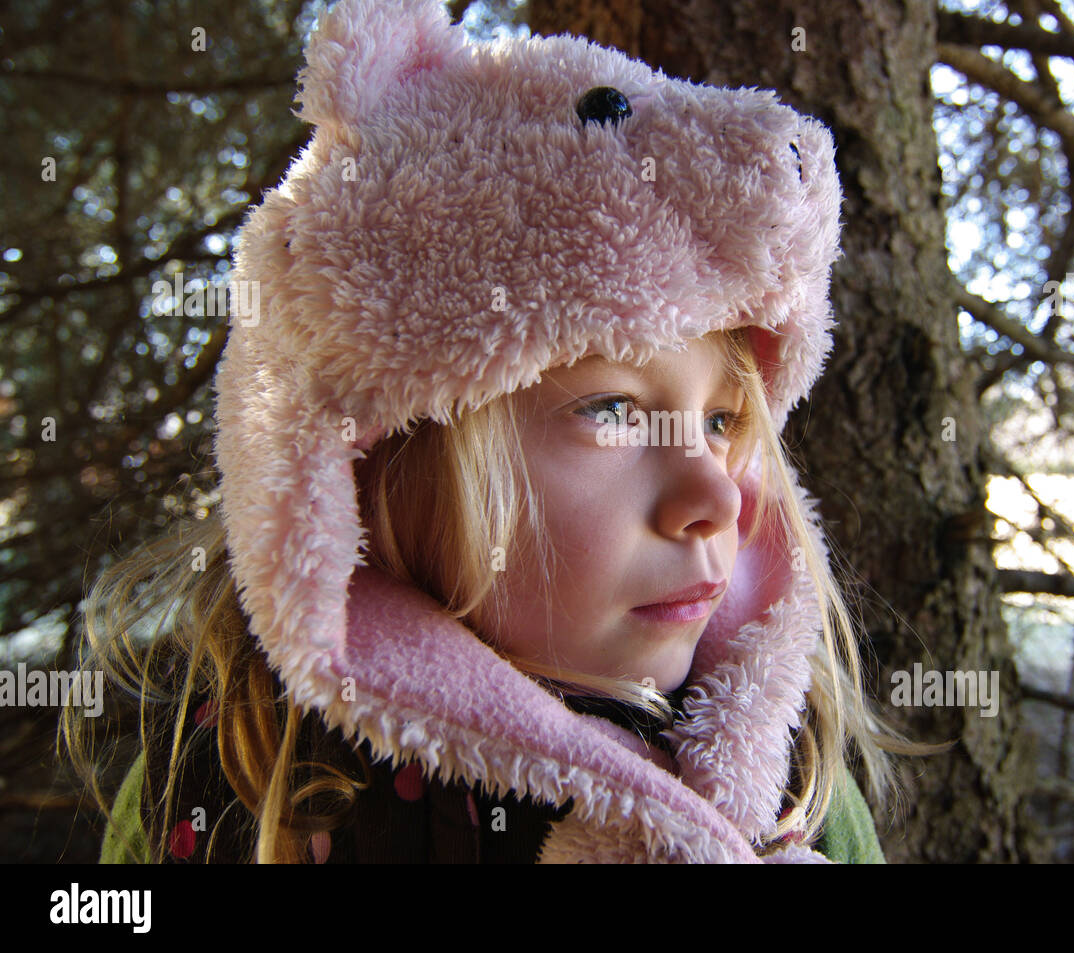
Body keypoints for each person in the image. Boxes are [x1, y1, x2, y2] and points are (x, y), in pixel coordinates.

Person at [63, 0, 927, 864]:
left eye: (722, 422)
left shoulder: (790, 791)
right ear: (376, 465)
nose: (714, 499)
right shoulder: (232, 785)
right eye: (612, 411)